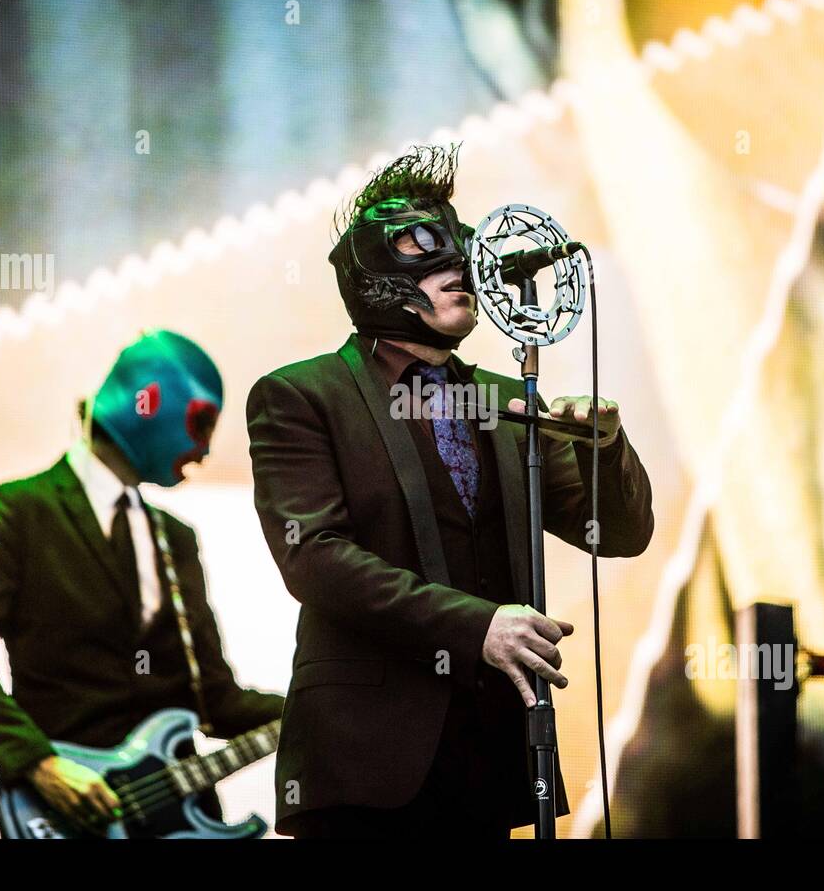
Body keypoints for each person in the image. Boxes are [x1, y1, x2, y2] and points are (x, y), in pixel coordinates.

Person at [246, 144, 654, 838]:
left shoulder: (505, 403)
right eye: (424, 252)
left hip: (490, 761)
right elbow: (313, 557)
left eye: (461, 252)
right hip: (365, 766)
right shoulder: (301, 395)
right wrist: (477, 626)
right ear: (376, 274)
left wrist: (608, 445)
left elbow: (617, 533)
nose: (460, 272)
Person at [0, 330, 283, 834]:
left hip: (181, 816)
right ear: (152, 405)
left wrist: (324, 700)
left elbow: (216, 701)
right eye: (201, 424)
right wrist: (38, 764)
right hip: (70, 815)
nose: (203, 452)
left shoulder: (175, 539)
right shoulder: (20, 511)